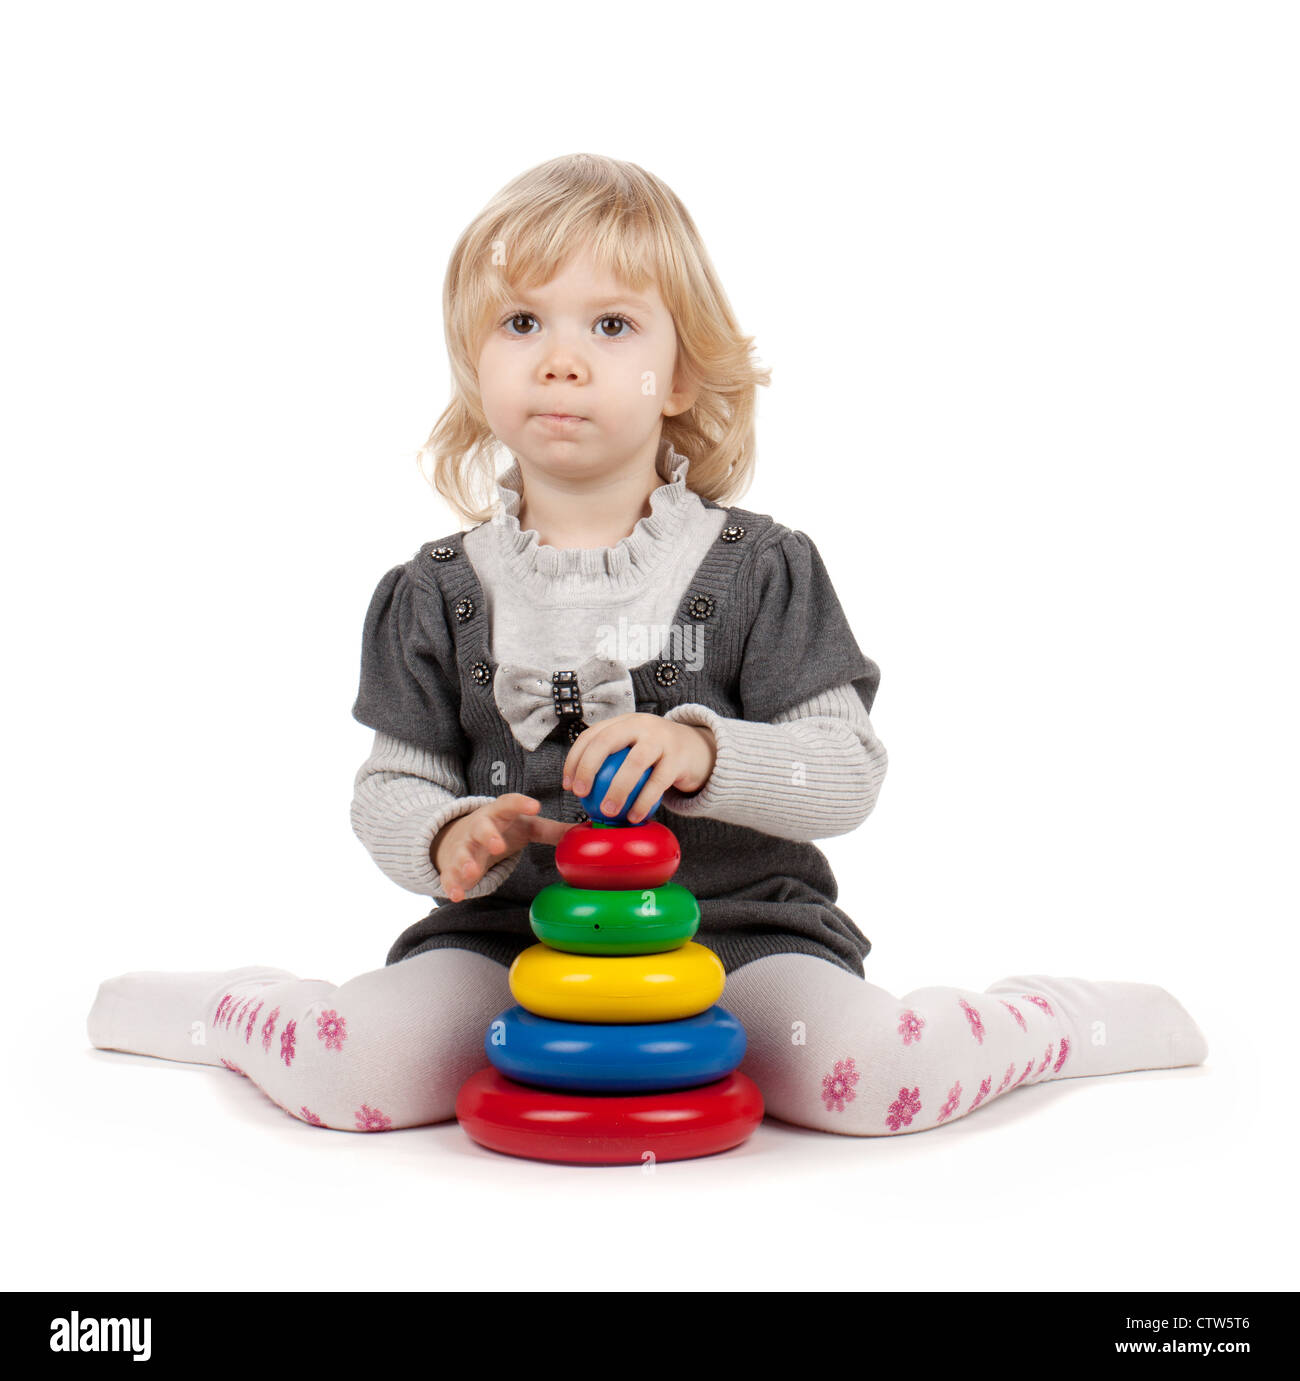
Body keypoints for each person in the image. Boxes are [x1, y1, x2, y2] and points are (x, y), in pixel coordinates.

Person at [86, 153, 1208, 1136]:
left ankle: (1058, 1023)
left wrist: (708, 752)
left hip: (743, 945)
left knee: (868, 1079)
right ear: (476, 367)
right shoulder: (432, 591)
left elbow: (848, 772)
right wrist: (445, 834)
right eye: (521, 323)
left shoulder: (760, 568)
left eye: (610, 324)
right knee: (354, 1066)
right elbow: (388, 785)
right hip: (504, 948)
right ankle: (213, 1009)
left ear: (678, 375)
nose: (561, 359)